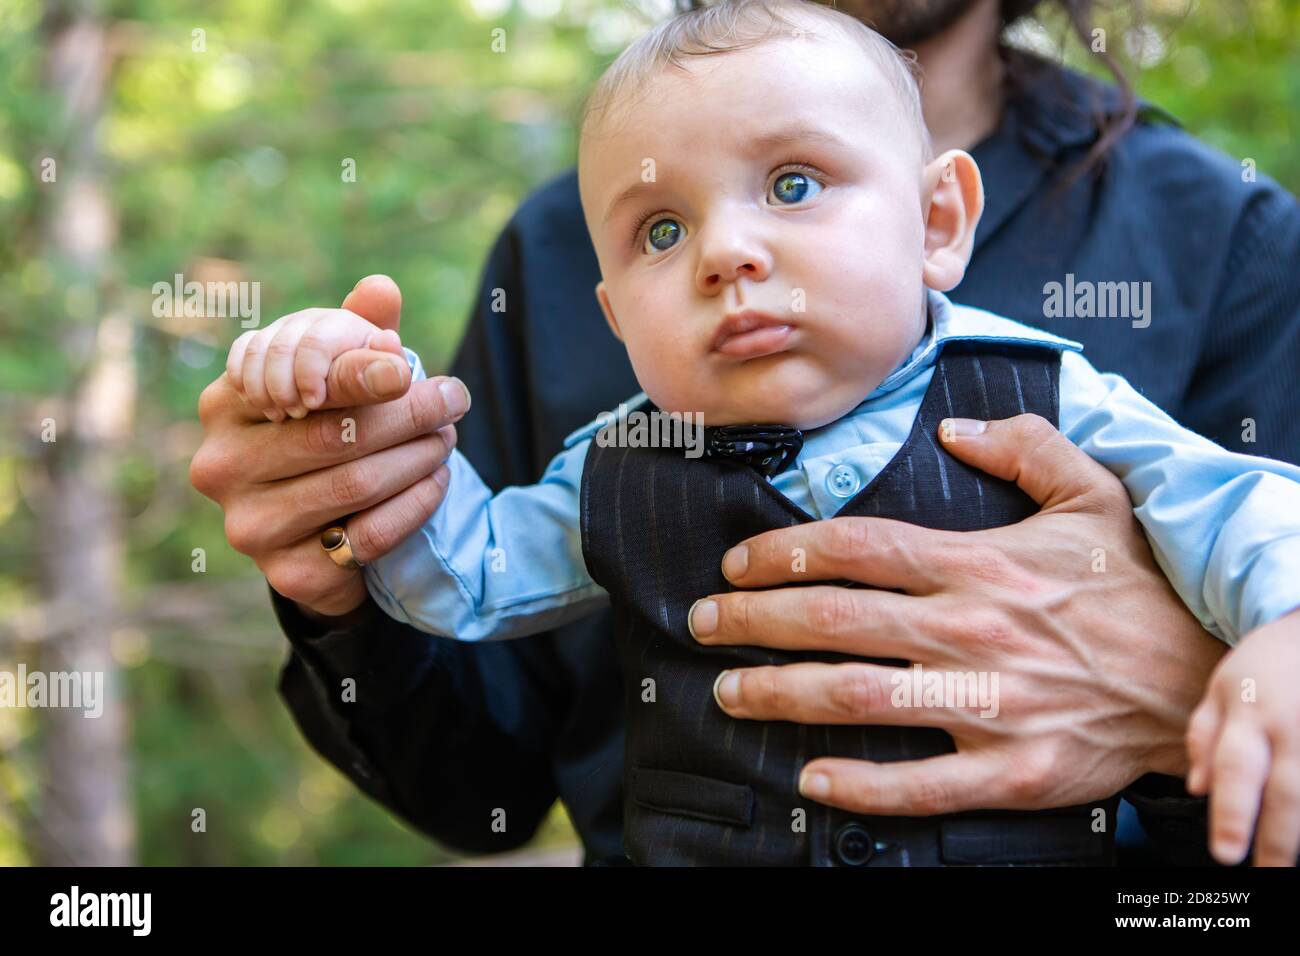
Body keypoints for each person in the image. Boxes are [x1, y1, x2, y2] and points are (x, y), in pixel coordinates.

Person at [190, 0, 1300, 866]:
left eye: (796, 183)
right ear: (614, 314)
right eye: (661, 230)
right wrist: (352, 486)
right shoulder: (598, 408)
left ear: (936, 222)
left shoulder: (1136, 319)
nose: (726, 251)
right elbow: (470, 612)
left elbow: (1237, 505)